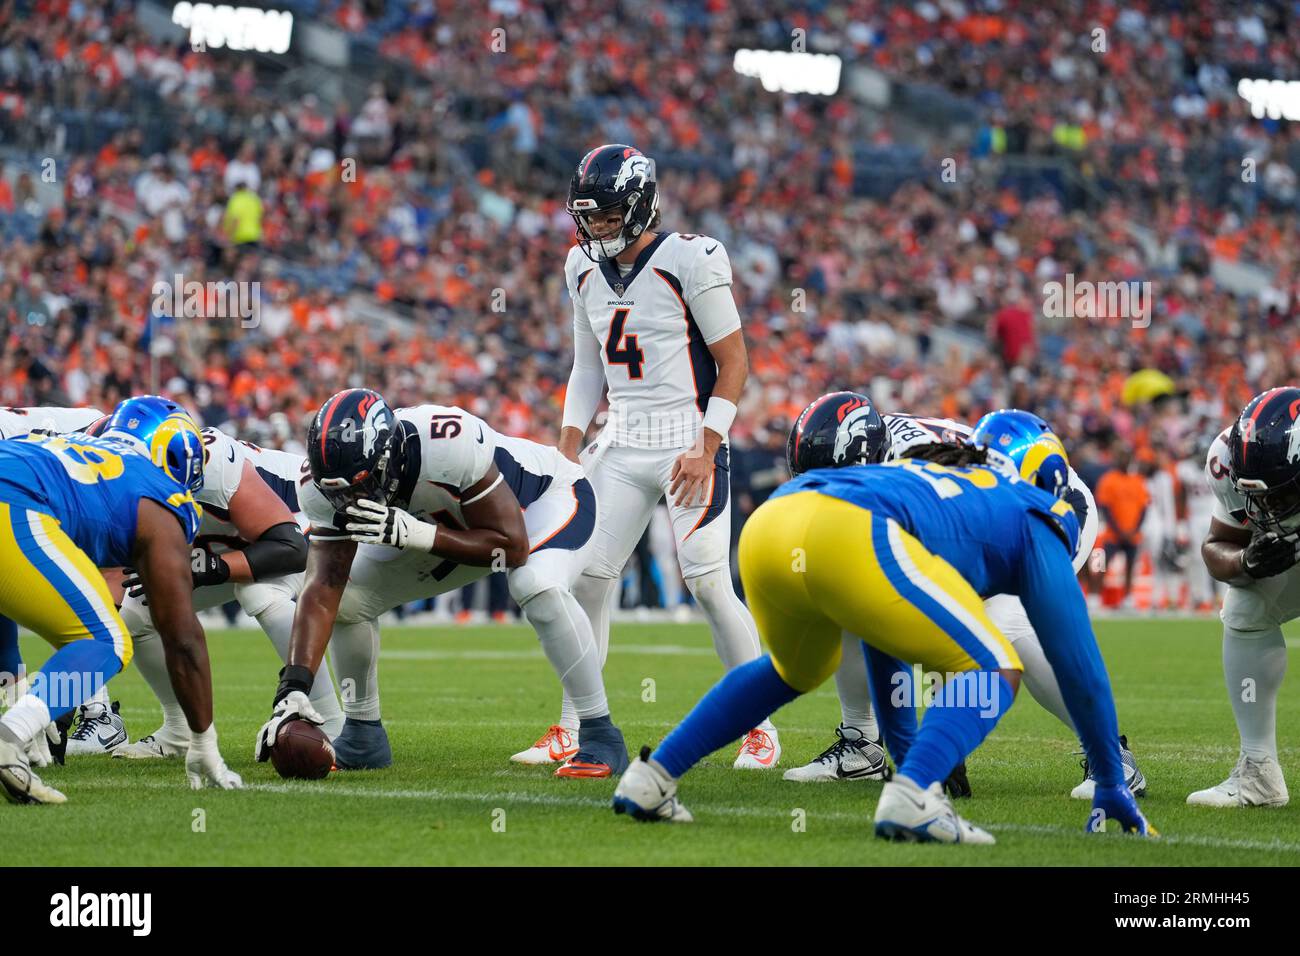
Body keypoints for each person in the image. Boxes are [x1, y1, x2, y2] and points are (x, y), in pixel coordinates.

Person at [612, 397, 1156, 844]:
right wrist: (1110, 777)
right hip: (854, 532)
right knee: (996, 664)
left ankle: (653, 776)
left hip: (775, 523)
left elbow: (881, 631)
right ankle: (917, 793)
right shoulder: (1032, 515)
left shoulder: (937, 472)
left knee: (789, 671)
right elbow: (1079, 664)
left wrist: (913, 753)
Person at [253, 389, 628, 777]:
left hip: (540, 504)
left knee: (535, 583)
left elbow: (511, 547)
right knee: (346, 600)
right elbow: (323, 586)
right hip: (438, 527)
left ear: (388, 456)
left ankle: (600, 734)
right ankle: (362, 733)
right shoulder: (321, 486)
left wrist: (418, 535)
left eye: (360, 485)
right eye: (339, 491)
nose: (350, 499)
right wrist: (295, 684)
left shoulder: (445, 442)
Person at [782, 400, 1145, 800]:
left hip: (1044, 505)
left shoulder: (921, 473)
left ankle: (1112, 758)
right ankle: (862, 746)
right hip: (983, 512)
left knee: (1004, 624)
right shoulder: (872, 464)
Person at [555, 143, 778, 770]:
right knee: (582, 580)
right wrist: (568, 449)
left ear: (639, 206)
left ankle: (759, 726)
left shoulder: (690, 257)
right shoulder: (579, 267)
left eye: (606, 215)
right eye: (588, 216)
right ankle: (576, 725)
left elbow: (734, 362)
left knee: (708, 582)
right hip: (623, 439)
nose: (595, 228)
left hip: (687, 438)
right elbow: (586, 367)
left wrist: (708, 445)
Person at [0, 398, 242, 803]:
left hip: (15, 484)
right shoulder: (161, 495)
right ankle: (9, 736)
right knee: (107, 640)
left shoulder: (74, 450)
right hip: (14, 503)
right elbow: (181, 636)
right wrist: (203, 739)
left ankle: (15, 728)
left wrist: (14, 687)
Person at [1190, 387, 1299, 807]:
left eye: (1281, 494)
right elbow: (1217, 545)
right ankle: (1259, 773)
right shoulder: (1226, 459)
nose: (1268, 507)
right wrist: (1246, 562)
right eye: (1260, 495)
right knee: (1244, 603)